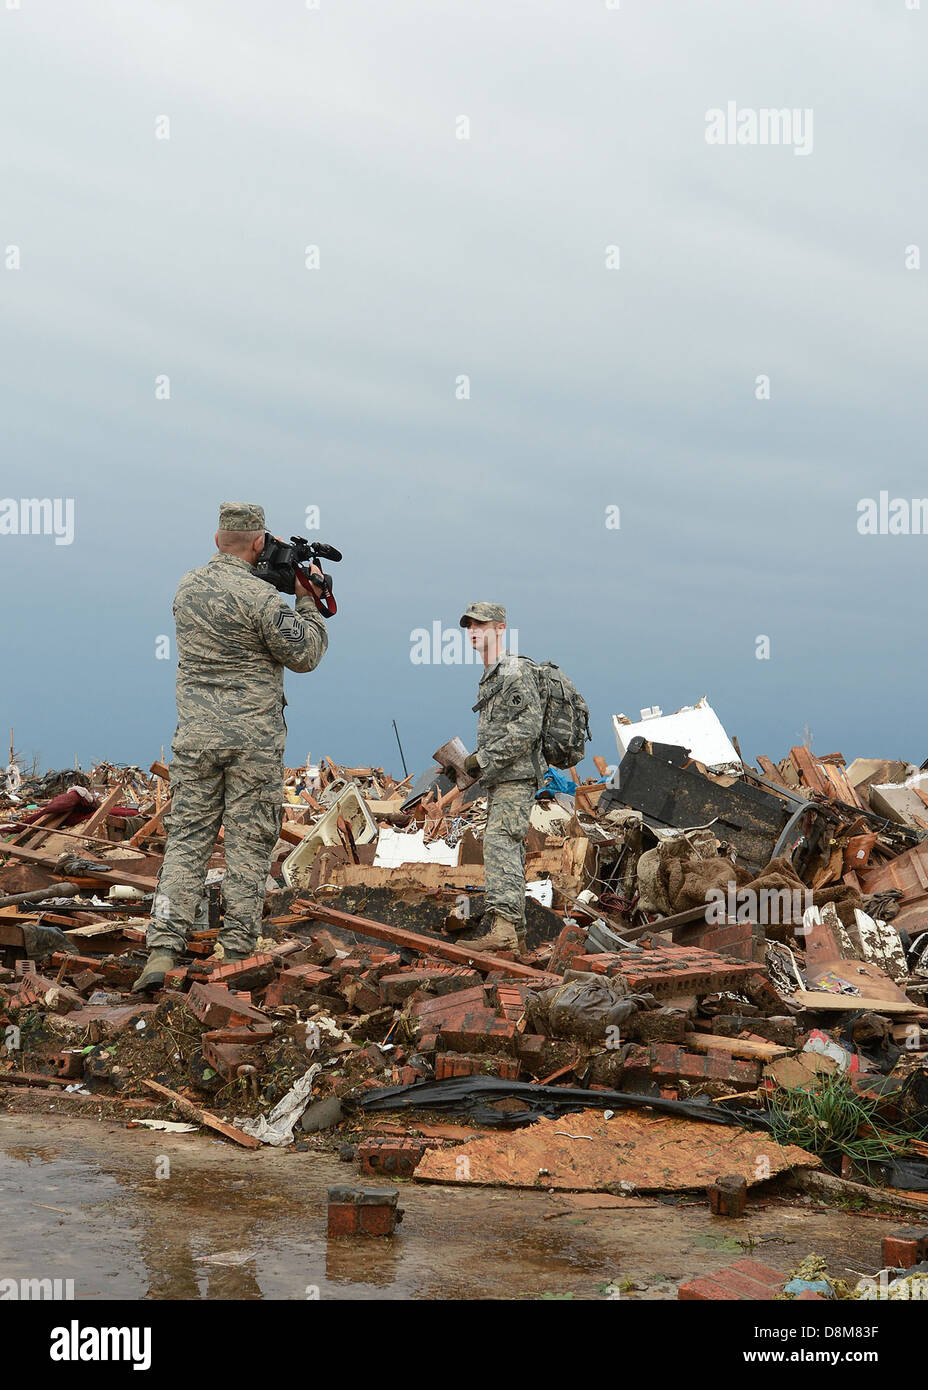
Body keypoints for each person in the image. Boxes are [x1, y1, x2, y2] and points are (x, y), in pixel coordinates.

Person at [133, 502, 329, 992]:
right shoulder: (262, 600)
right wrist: (308, 601)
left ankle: (161, 952)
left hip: (196, 738)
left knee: (186, 841)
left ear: (216, 538)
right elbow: (304, 654)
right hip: (251, 742)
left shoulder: (186, 588)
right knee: (247, 842)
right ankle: (237, 952)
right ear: (260, 544)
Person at [453, 602, 544, 953]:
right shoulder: (491, 675)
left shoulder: (513, 671)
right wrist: (469, 765)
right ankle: (516, 939)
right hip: (501, 778)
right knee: (506, 846)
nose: (474, 631)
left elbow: (528, 727)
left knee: (499, 843)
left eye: (482, 624)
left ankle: (503, 929)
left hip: (516, 778)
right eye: (469, 626)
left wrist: (484, 758)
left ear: (501, 629)